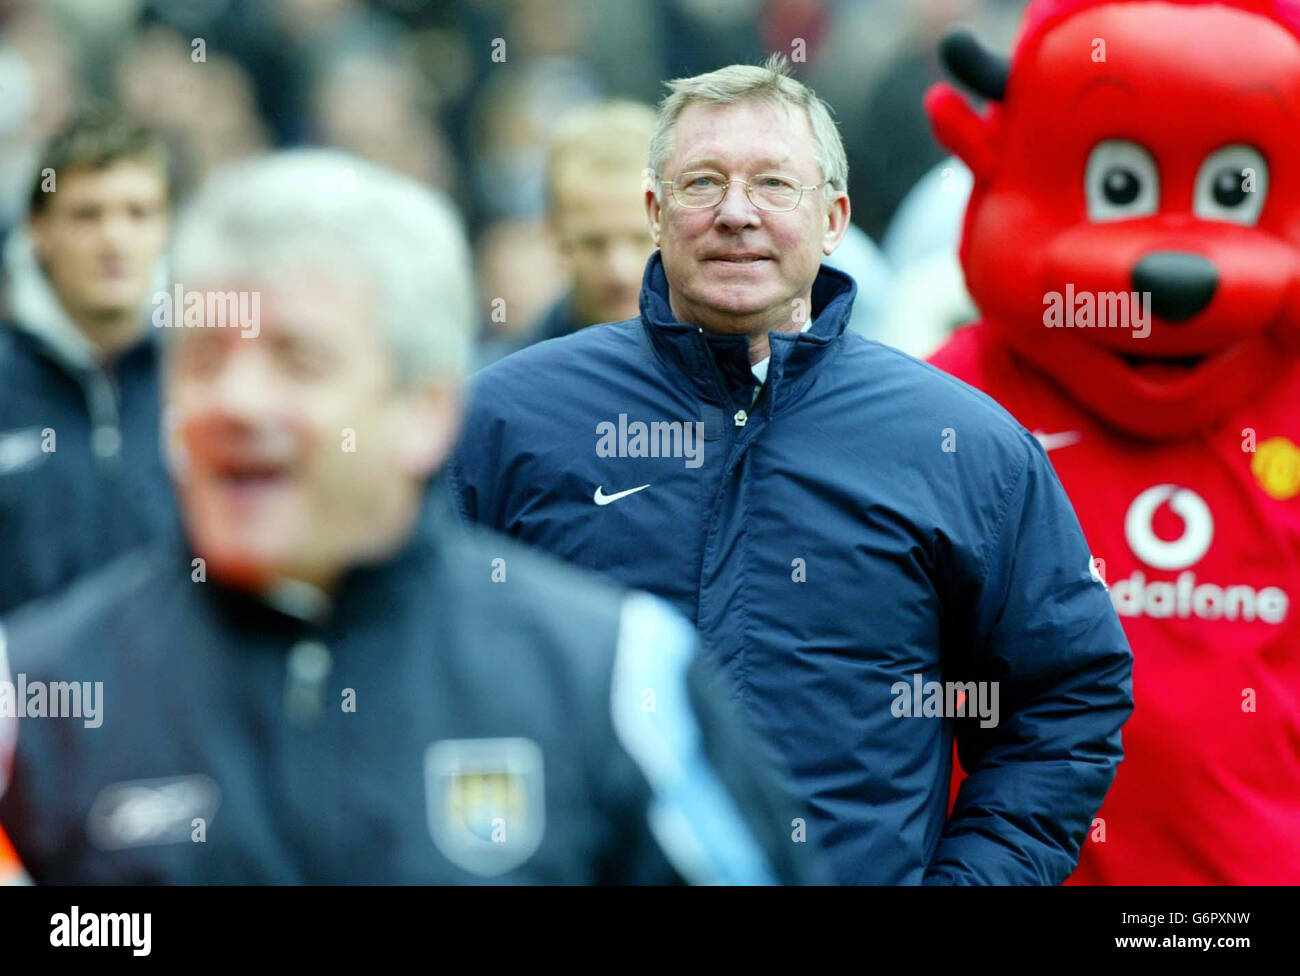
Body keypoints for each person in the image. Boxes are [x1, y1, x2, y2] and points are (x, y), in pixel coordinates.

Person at [0, 150, 815, 885]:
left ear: (425, 410)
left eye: (298, 359)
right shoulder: (35, 696)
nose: (235, 402)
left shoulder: (611, 680)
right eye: (205, 360)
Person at [449, 55, 1134, 884]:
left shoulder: (961, 443)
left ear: (835, 217)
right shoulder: (505, 420)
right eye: (702, 184)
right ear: (654, 211)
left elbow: (1066, 696)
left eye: (775, 185)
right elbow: (404, 656)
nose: (736, 214)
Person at [0, 108, 175, 616]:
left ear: (166, 228)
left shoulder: (205, 386)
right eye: (87, 215)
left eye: (138, 213)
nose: (113, 239)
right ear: (39, 232)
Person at [480, 101, 658, 364]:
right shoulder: (509, 384)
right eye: (593, 244)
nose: (620, 270)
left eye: (642, 239)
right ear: (553, 237)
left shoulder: (734, 370)